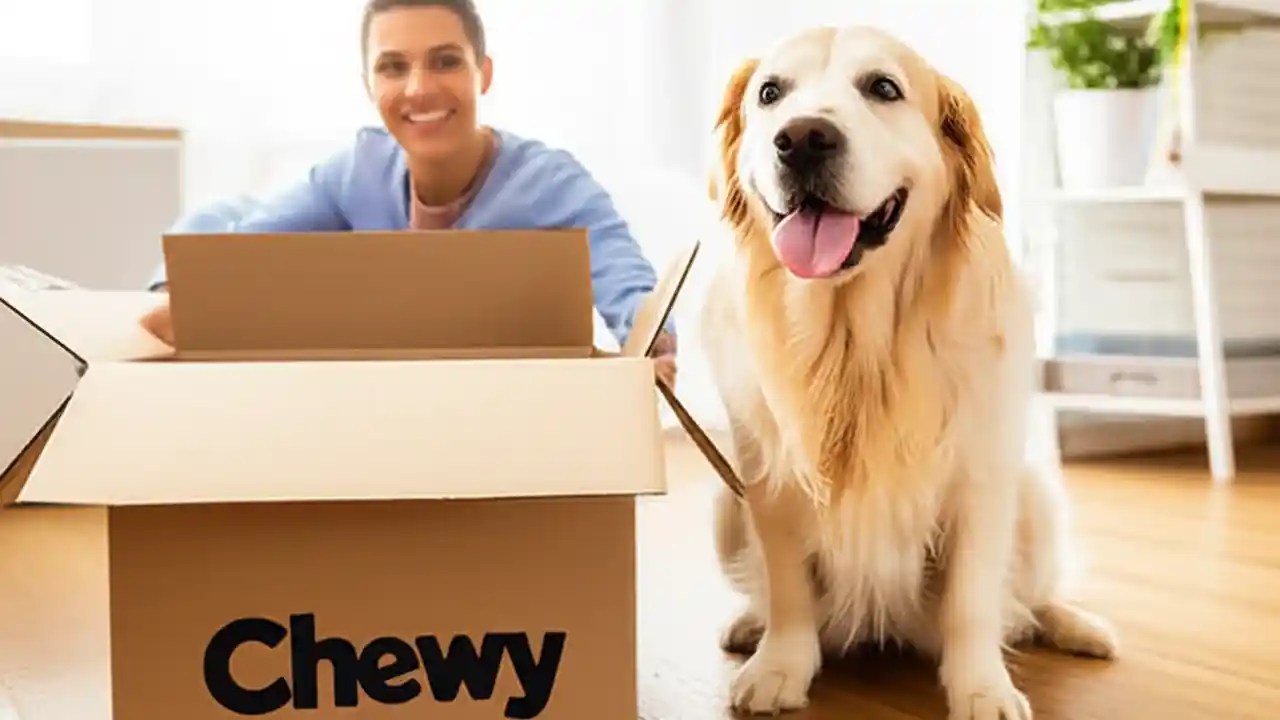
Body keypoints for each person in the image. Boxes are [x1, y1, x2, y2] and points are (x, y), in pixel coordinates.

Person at [140, 0, 676, 385]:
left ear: (482, 74)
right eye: (393, 67)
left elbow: (625, 276)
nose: (419, 88)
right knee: (213, 219)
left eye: (445, 61)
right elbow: (246, 243)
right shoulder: (359, 169)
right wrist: (181, 298)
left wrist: (651, 345)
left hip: (478, 405)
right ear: (369, 85)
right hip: (373, 399)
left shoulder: (548, 182)